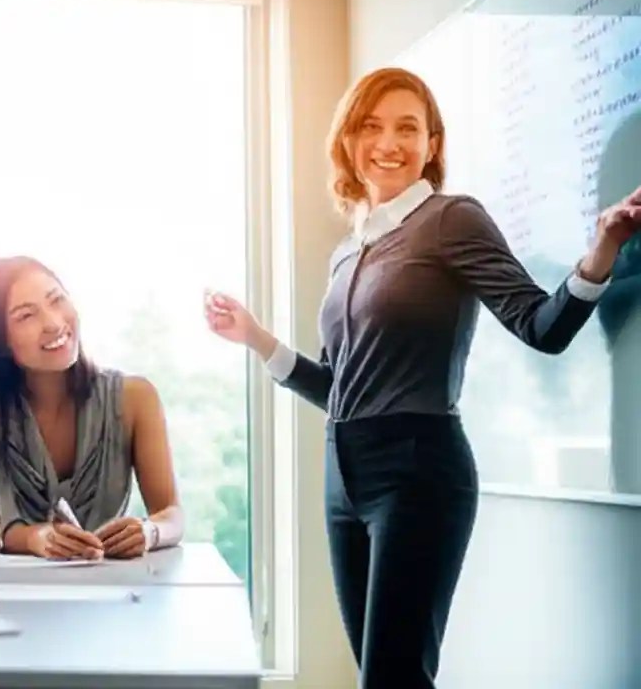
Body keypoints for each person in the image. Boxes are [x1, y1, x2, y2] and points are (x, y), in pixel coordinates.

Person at [204, 66, 641, 688]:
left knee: (393, 680)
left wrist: (602, 249)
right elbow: (338, 390)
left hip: (417, 469)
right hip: (342, 477)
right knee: (379, 677)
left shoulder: (451, 219)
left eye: (408, 128)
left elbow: (542, 327)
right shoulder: (347, 250)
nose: (389, 142)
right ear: (348, 142)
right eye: (371, 126)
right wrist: (256, 338)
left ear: (432, 144)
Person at [0, 256, 184, 560]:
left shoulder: (135, 398)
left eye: (56, 300)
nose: (53, 323)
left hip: (110, 592)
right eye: (26, 316)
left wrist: (149, 532)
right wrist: (30, 538)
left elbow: (172, 514)